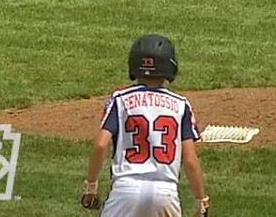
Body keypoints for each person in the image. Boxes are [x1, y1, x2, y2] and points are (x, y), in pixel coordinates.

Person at [81, 34, 210, 217]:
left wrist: (91, 188)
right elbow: (189, 160)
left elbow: (101, 144)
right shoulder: (181, 105)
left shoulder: (120, 99)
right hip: (166, 195)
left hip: (126, 191)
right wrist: (201, 201)